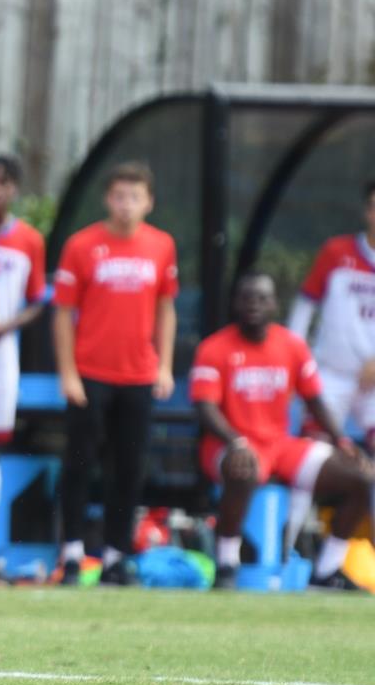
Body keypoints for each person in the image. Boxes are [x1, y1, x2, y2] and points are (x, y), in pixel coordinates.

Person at [191, 273, 371, 591]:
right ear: (235, 304)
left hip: (279, 444)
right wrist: (236, 442)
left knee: (360, 477)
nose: (254, 305)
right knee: (243, 468)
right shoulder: (213, 348)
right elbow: (205, 407)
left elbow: (314, 399)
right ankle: (226, 564)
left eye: (261, 298)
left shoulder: (292, 345)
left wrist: (341, 440)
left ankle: (326, 571)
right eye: (246, 298)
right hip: (230, 443)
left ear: (274, 304)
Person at [52, 161, 178, 587]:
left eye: (135, 197)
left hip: (138, 375)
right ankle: (70, 552)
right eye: (120, 196)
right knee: (80, 463)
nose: (126, 205)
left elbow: (165, 307)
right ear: (108, 199)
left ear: (149, 203)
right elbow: (63, 313)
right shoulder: (82, 245)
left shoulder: (161, 246)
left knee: (128, 468)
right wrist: (68, 373)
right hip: (90, 373)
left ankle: (115, 554)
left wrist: (163, 365)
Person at [0, 154, 49, 577]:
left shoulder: (29, 240)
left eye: (5, 183)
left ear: (15, 189)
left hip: (1, 358)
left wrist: (6, 324)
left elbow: (38, 300)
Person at [286, 181, 375, 446]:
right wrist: (293, 363)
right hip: (330, 373)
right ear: (366, 211)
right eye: (373, 207)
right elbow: (303, 309)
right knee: (313, 456)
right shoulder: (336, 252)